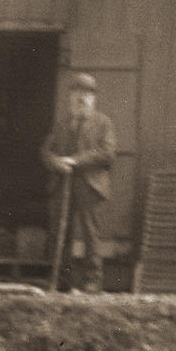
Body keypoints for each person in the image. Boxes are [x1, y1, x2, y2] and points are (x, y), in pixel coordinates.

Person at [41, 73, 117, 293]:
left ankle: (92, 281)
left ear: (94, 98)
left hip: (90, 185)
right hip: (62, 184)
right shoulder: (62, 124)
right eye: (76, 94)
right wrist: (56, 163)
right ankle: (61, 280)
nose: (81, 98)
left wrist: (75, 160)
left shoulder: (103, 123)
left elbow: (107, 153)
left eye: (86, 94)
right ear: (70, 98)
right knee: (60, 232)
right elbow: (46, 151)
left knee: (90, 233)